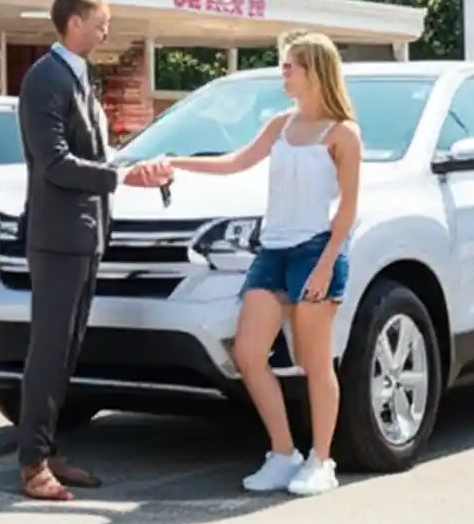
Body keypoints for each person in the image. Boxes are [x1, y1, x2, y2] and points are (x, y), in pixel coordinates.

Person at [128, 31, 360, 497]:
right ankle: (282, 453)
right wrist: (174, 162)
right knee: (249, 354)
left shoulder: (342, 133)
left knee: (315, 362)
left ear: (315, 69)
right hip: (271, 252)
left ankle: (321, 460)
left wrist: (325, 265)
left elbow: (348, 209)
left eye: (291, 65)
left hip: (316, 251)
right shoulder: (280, 124)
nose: (284, 72)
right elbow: (236, 163)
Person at [14, 0, 168, 501]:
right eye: (100, 22)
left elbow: (95, 151)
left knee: (68, 351)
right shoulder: (45, 79)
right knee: (49, 350)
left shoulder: (81, 77)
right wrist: (118, 177)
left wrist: (122, 171)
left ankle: (49, 449)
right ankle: (32, 464)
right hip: (57, 238)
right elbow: (54, 163)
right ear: (74, 21)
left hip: (86, 235)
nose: (107, 31)